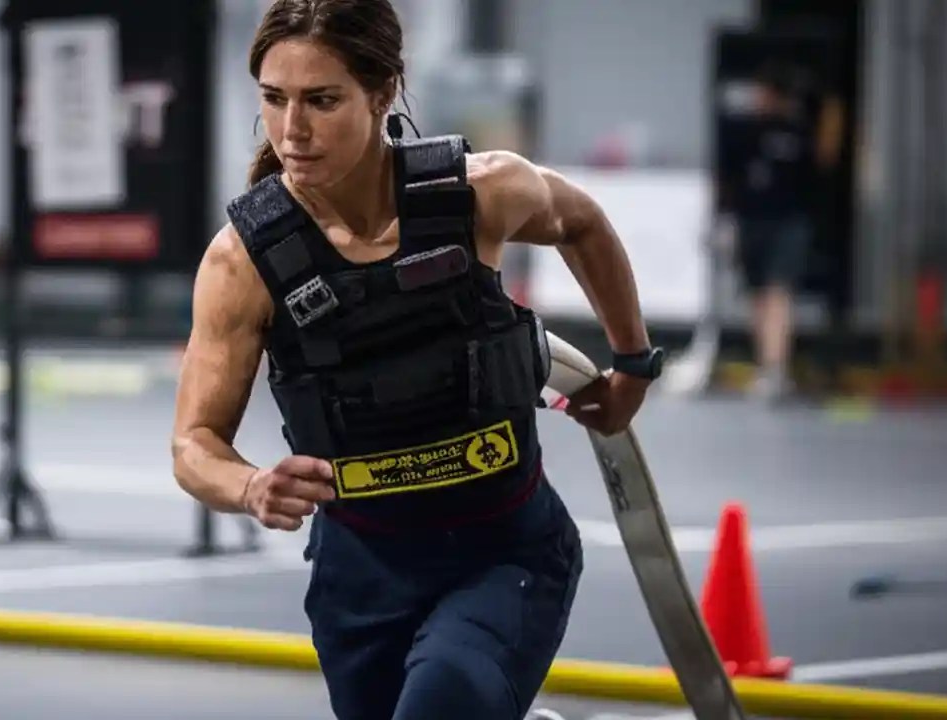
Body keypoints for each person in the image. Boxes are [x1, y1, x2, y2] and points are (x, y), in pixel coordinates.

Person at [171, 1, 662, 717]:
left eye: (322, 100)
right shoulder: (243, 260)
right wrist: (248, 487)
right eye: (273, 100)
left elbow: (579, 221)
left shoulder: (477, 193)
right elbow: (193, 444)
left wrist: (632, 364)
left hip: (505, 556)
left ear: (382, 91)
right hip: (360, 582)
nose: (291, 130)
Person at [720, 61, 840, 402]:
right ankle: (765, 364)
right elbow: (729, 178)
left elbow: (822, 165)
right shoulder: (744, 130)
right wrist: (726, 219)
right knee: (758, 295)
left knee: (777, 292)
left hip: (788, 222)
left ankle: (776, 368)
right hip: (751, 220)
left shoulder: (800, 131)